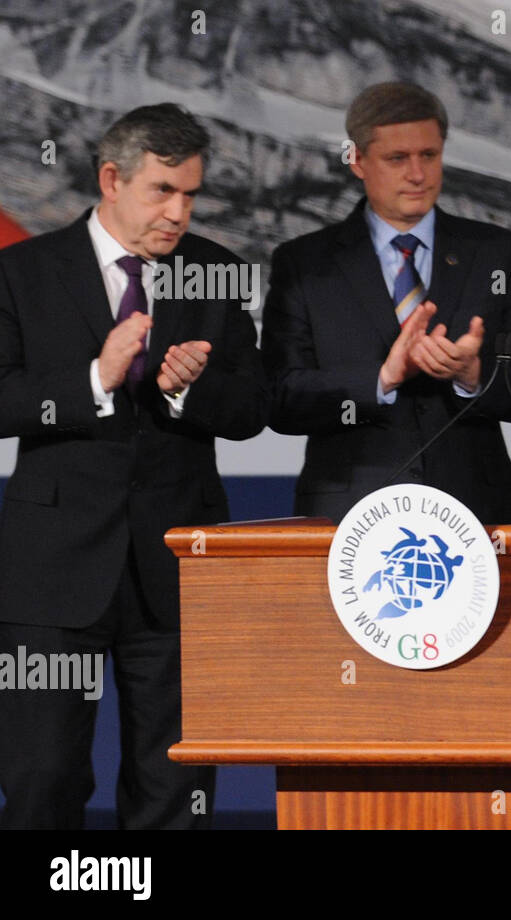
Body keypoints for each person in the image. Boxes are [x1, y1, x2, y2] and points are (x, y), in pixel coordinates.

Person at [0, 103, 267, 828]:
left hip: (176, 567)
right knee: (42, 774)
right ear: (111, 179)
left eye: (191, 194)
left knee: (174, 781)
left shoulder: (217, 274)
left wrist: (187, 393)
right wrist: (95, 378)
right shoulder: (24, 271)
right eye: (163, 191)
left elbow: (250, 410)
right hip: (53, 574)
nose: (179, 213)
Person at [262, 82, 511, 525]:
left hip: (473, 512)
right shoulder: (304, 264)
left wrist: (471, 375)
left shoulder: (496, 252)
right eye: (397, 159)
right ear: (357, 161)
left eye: (429, 156)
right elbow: (281, 399)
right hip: (351, 517)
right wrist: (382, 378)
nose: (418, 174)